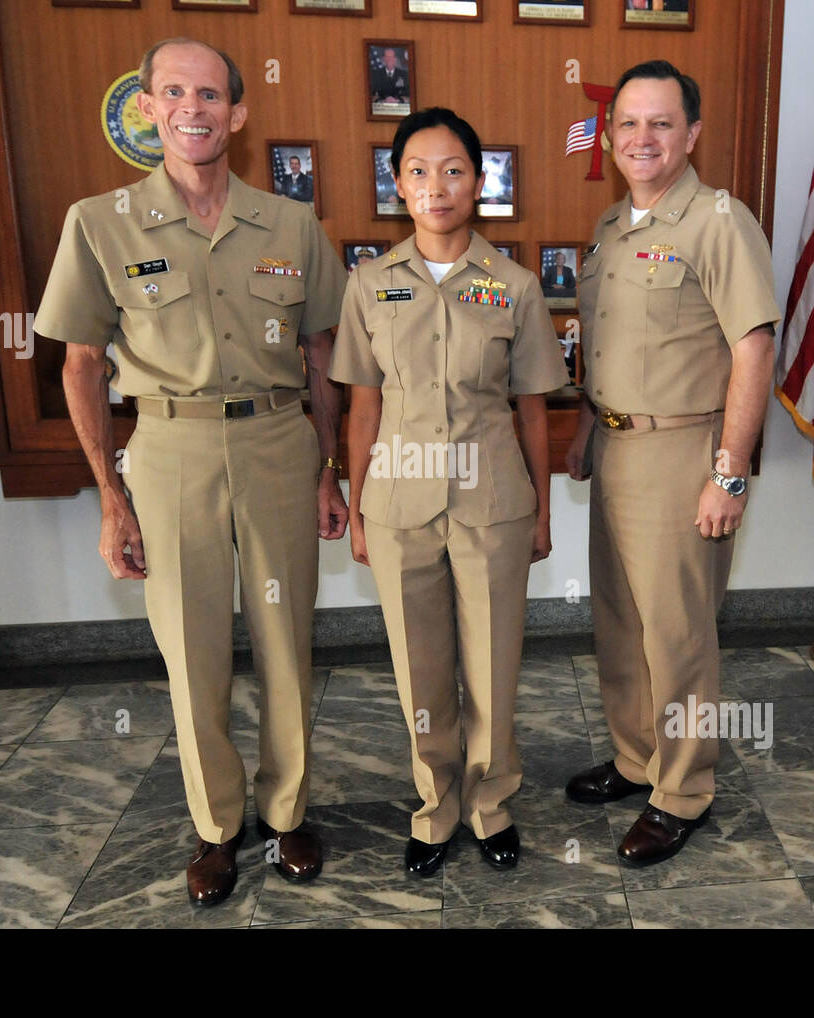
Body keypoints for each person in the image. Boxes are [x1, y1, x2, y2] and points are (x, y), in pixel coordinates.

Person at [33, 37, 348, 907]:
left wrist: (330, 471)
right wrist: (112, 498)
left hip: (280, 446)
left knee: (288, 644)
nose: (193, 110)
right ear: (147, 107)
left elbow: (323, 354)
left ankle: (287, 814)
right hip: (168, 453)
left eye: (210, 95)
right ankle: (216, 829)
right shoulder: (98, 222)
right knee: (192, 650)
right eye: (173, 93)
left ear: (238, 114)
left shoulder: (290, 224)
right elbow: (81, 365)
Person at [331, 108, 565, 877]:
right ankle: (435, 810)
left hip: (492, 501)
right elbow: (362, 407)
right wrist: (359, 505)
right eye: (420, 171)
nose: (438, 185)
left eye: (455, 169)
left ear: (480, 182)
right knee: (419, 670)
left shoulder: (517, 286)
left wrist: (541, 509)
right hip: (398, 505)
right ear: (398, 185)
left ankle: (492, 805)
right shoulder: (368, 283)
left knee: (493, 669)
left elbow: (532, 407)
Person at [564, 60, 779, 865]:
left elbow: (753, 346)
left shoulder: (719, 220)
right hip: (617, 445)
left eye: (660, 123)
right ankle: (638, 759)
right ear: (610, 134)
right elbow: (606, 340)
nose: (641, 137)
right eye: (627, 123)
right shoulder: (612, 226)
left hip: (684, 449)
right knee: (620, 624)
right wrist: (588, 426)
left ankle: (684, 789)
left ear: (692, 133)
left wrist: (729, 471)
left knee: (679, 635)